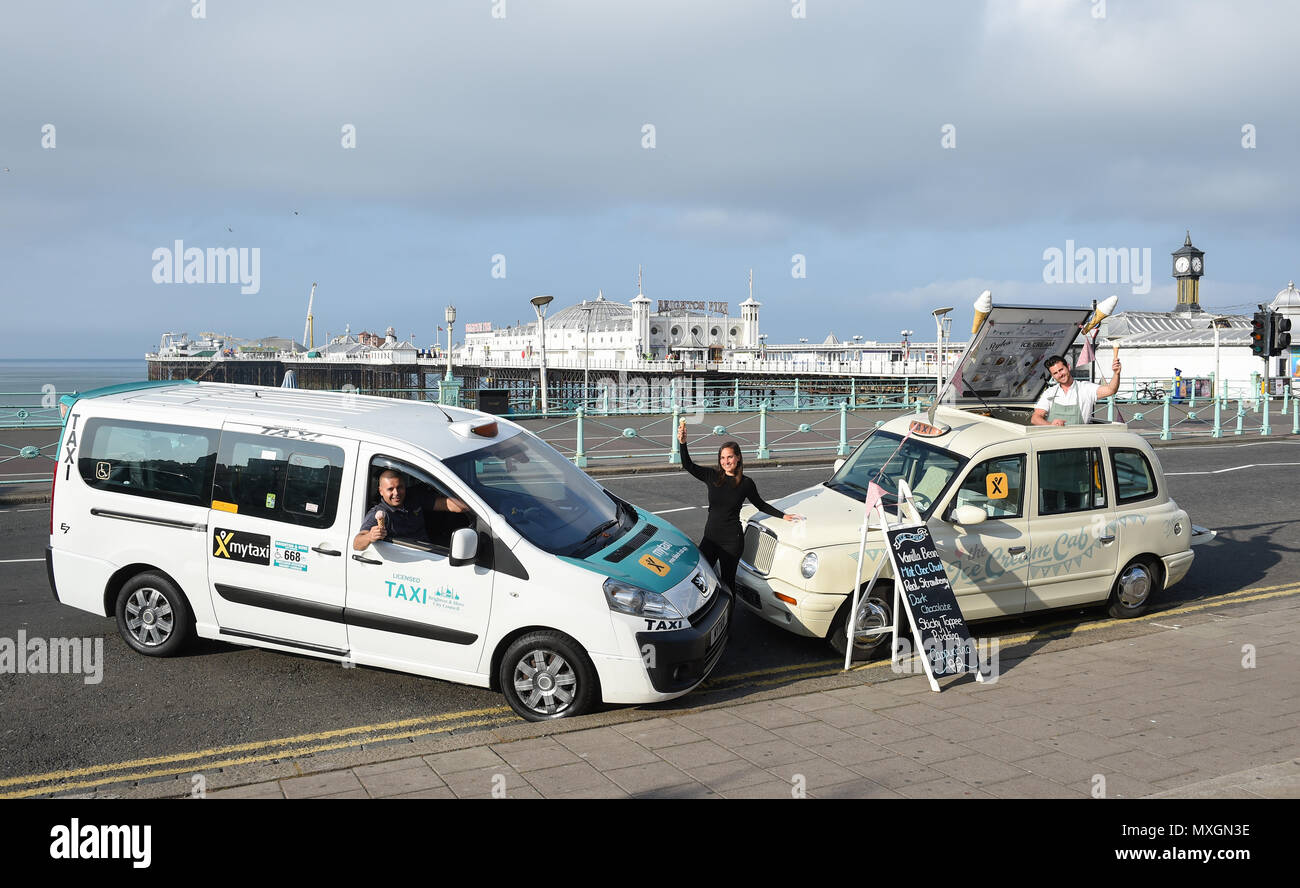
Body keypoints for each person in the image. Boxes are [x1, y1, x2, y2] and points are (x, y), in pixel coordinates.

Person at [676, 421, 802, 596]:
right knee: (699, 577)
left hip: (732, 542)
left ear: (738, 458)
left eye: (729, 457)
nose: (726, 461)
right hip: (710, 538)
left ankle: (728, 618)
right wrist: (682, 443)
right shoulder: (712, 476)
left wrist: (784, 516)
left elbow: (761, 504)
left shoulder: (746, 483)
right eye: (722, 458)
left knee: (727, 584)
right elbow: (688, 465)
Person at [353, 469, 469, 551]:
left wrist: (471, 506)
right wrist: (370, 536)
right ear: (381, 491)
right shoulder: (380, 514)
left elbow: (446, 504)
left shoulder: (413, 498)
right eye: (390, 489)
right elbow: (357, 543)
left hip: (430, 551)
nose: (396, 493)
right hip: (408, 562)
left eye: (400, 487)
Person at [1031, 352, 1121, 426]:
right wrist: (1050, 425)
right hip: (1054, 441)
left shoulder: (1085, 388)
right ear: (1053, 376)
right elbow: (1035, 418)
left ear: (1068, 367)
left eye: (1061, 369)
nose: (1060, 374)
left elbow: (1111, 390)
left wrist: (1116, 373)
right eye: (1055, 373)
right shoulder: (1049, 393)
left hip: (1079, 442)